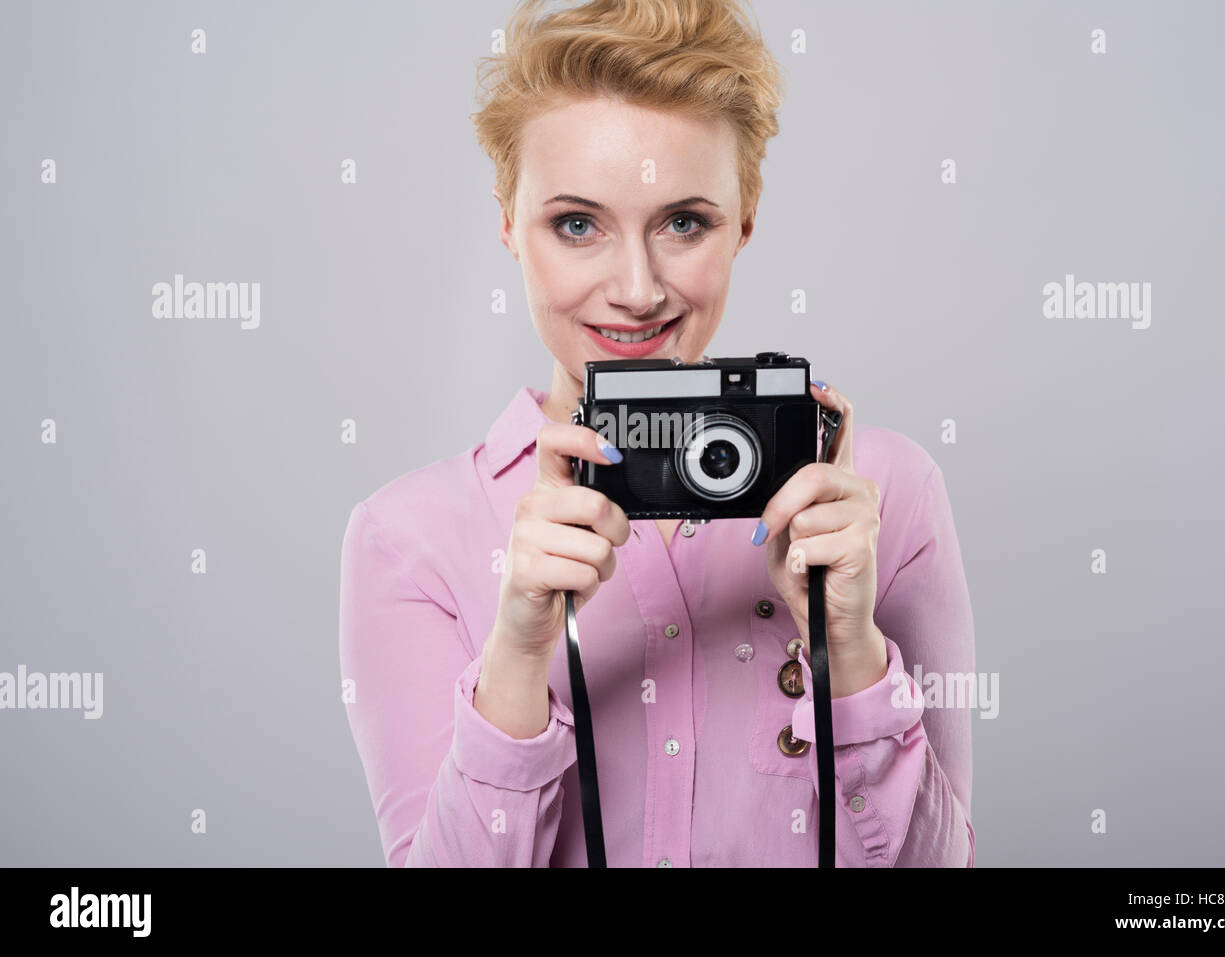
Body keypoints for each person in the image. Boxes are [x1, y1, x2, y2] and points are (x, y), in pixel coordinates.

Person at [339, 0, 975, 867]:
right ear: (507, 224)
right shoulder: (405, 538)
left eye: (684, 222)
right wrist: (520, 652)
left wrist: (851, 649)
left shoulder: (886, 499)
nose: (636, 289)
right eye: (577, 224)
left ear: (745, 216)